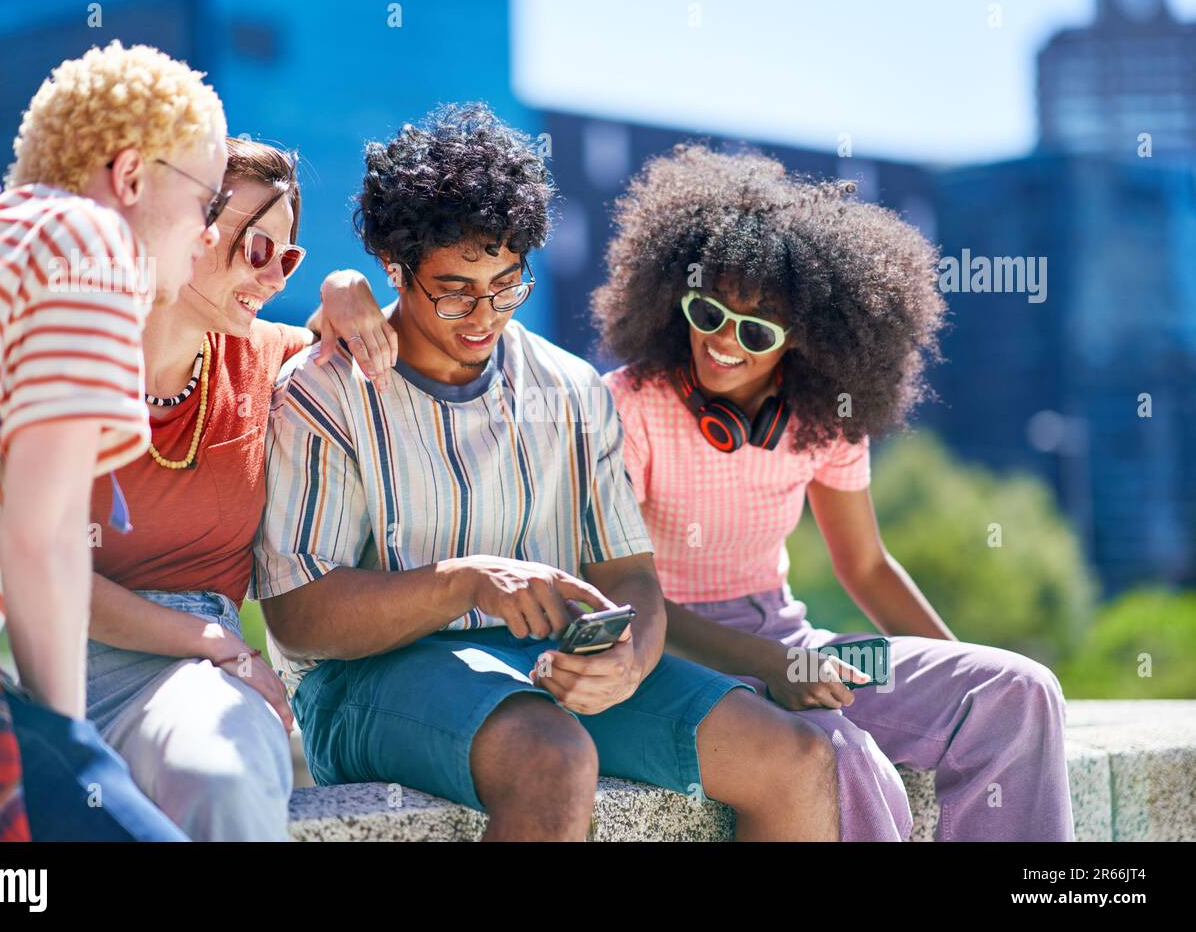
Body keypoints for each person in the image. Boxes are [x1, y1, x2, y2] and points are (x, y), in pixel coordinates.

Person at [254, 104, 844, 841]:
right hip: (362, 680)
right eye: (455, 289)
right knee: (554, 755)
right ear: (394, 270)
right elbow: (299, 615)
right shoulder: (324, 390)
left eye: (506, 284)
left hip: (545, 663)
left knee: (794, 755)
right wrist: (466, 582)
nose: (484, 314)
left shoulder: (570, 388)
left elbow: (632, 578)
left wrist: (629, 661)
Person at [591, 144, 1074, 841]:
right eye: (709, 312)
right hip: (669, 644)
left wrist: (953, 678)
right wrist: (771, 666)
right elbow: (622, 593)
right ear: (676, 301)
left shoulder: (828, 414)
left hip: (786, 633)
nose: (725, 340)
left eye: (756, 328)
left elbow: (867, 566)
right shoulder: (630, 404)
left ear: (803, 339)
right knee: (844, 758)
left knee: (1020, 691)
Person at [0, 40, 230, 840]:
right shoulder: (88, 241)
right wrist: (74, 759)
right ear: (131, 177)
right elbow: (43, 534)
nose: (208, 237)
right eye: (208, 204)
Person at [84, 137, 333, 841]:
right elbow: (42, 576)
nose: (275, 276)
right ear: (185, 221)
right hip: (58, 662)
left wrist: (342, 296)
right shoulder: (70, 357)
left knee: (217, 775)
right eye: (258, 248)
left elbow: (340, 339)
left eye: (289, 258)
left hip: (199, 680)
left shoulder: (263, 351)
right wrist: (217, 641)